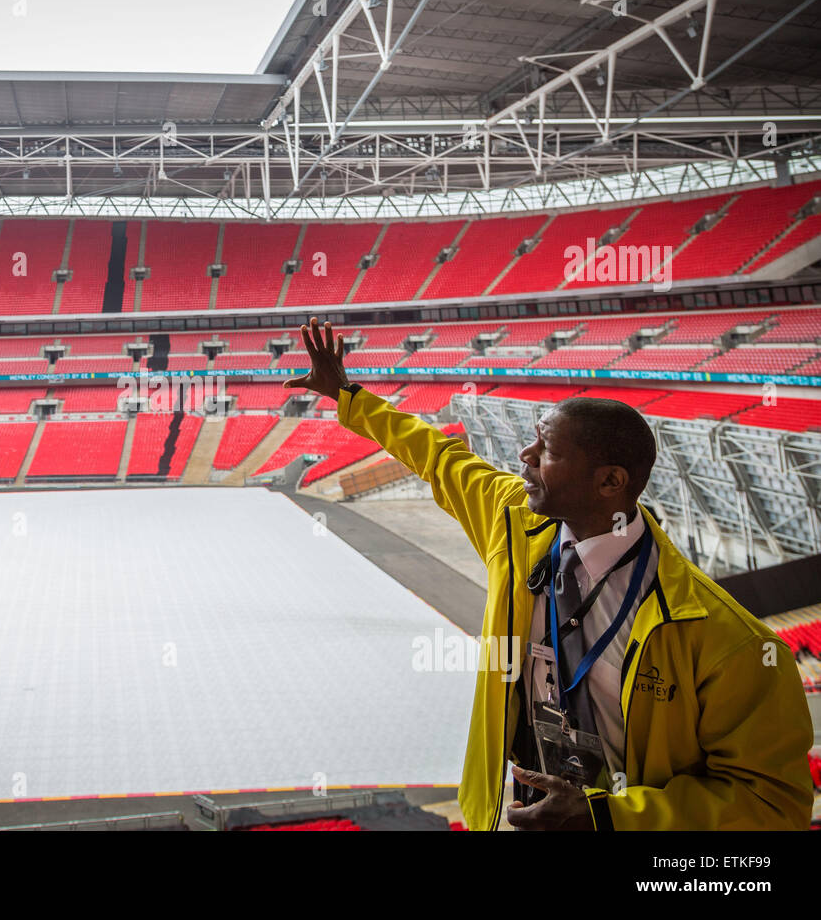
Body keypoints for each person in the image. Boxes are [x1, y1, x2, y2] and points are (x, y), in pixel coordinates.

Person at [285, 316, 814, 830]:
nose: (525, 455)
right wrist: (348, 395)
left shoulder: (726, 640)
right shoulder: (511, 521)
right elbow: (437, 456)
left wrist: (607, 818)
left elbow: (770, 804)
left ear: (609, 482)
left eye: (547, 450)